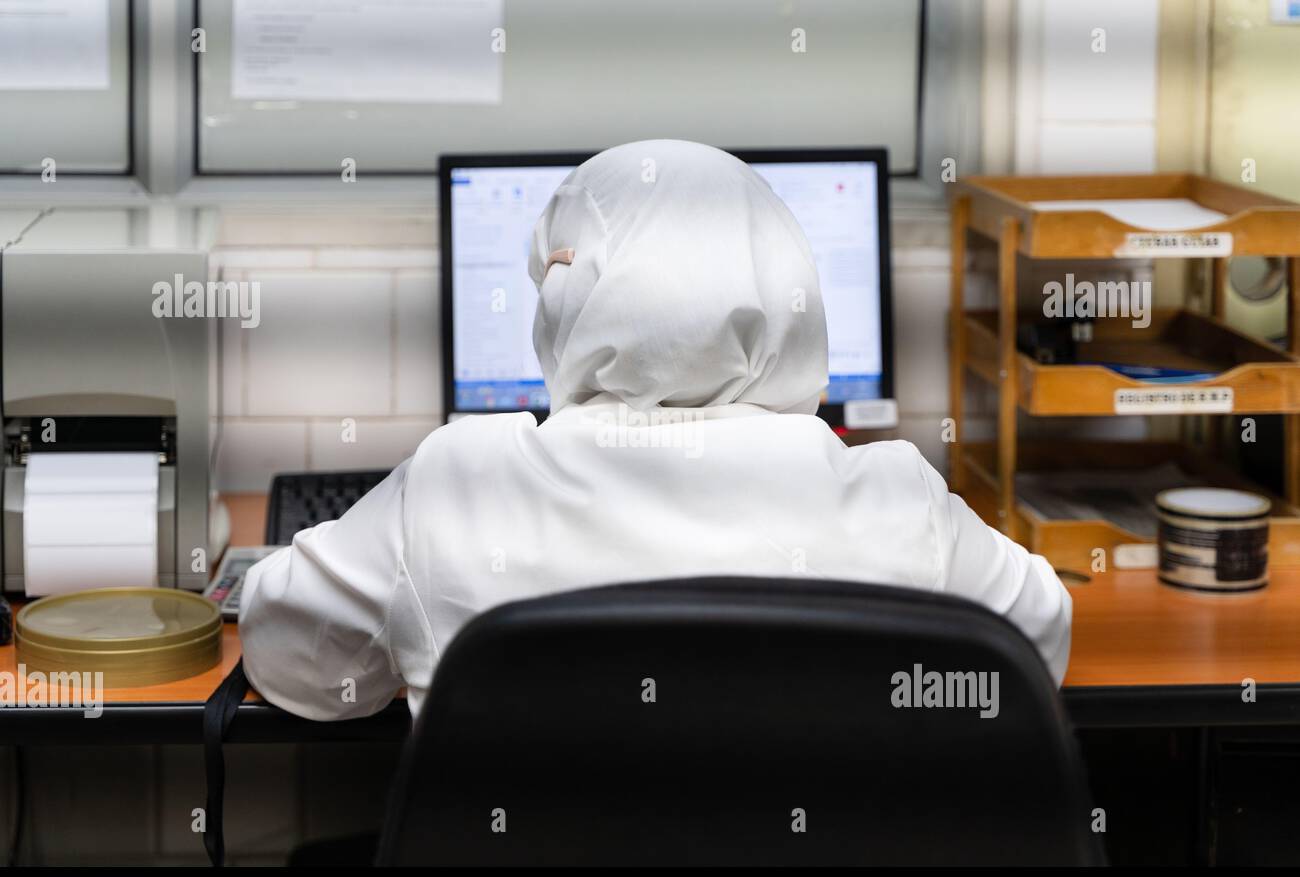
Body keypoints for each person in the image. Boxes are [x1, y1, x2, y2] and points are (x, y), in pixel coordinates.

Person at [239, 139, 1071, 721]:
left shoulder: (459, 483)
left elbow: (291, 660)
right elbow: (1039, 637)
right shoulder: (893, 496)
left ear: (568, 304)